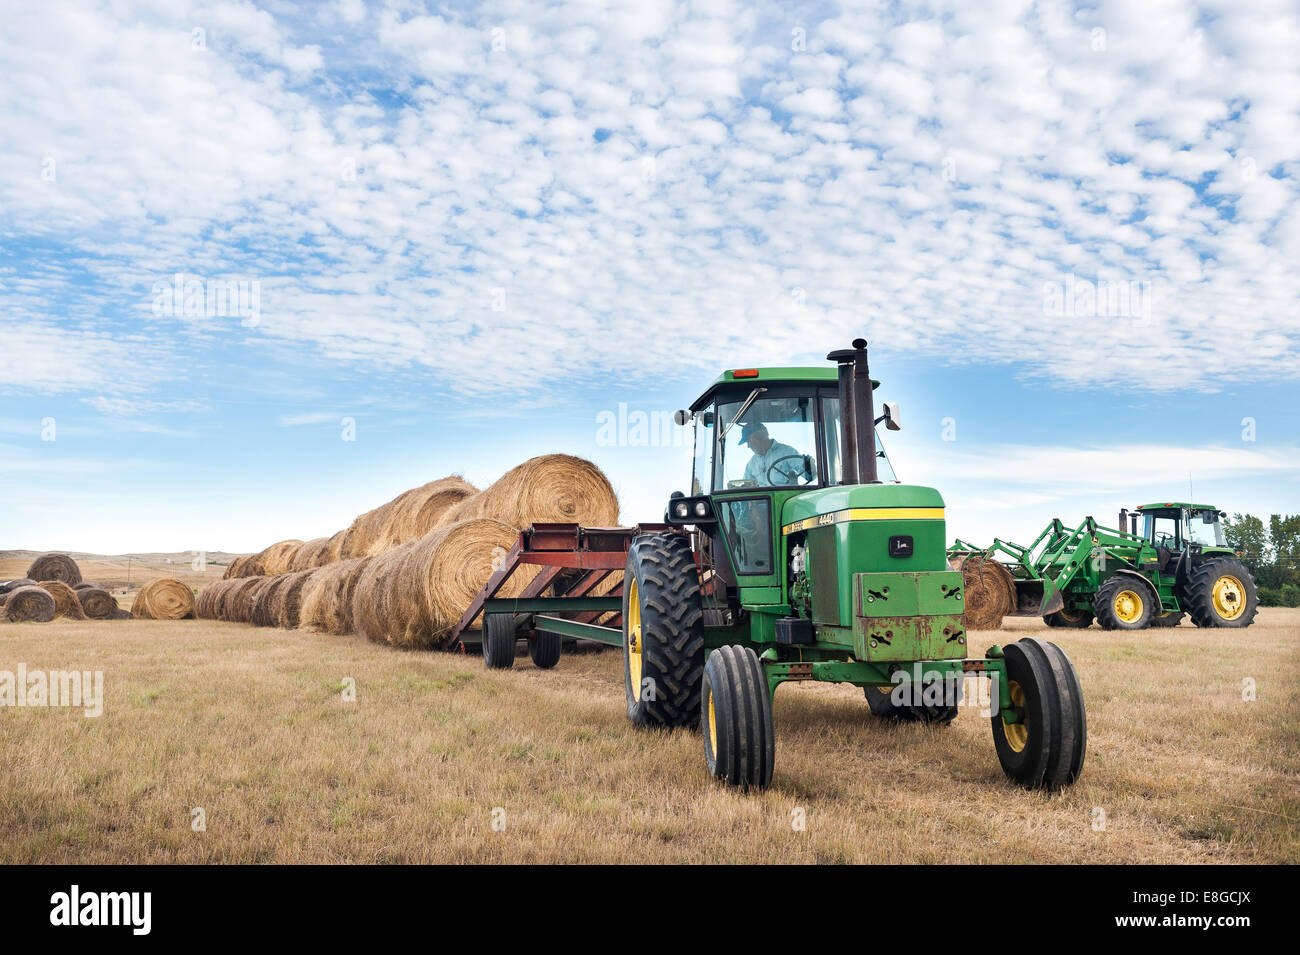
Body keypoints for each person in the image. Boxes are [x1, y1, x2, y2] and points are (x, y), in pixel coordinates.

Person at [739, 423, 811, 486]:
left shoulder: (786, 452)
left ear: (758, 437)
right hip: (762, 500)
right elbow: (746, 486)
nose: (748, 446)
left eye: (748, 441)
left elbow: (809, 476)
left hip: (783, 498)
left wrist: (809, 467)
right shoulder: (751, 464)